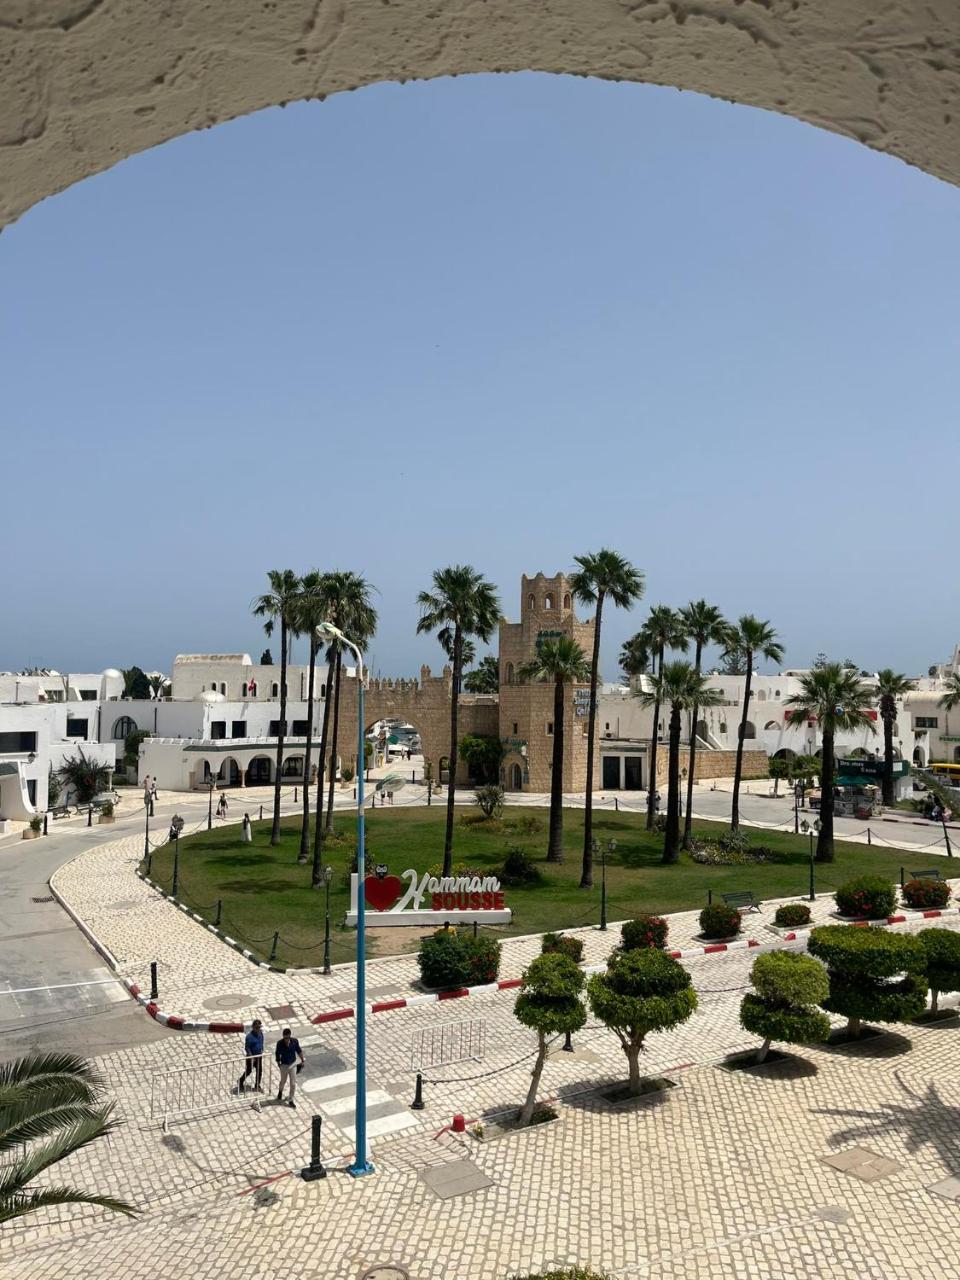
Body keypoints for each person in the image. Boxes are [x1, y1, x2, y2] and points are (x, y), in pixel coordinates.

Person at [275, 1028, 305, 1107]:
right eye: (285, 1038)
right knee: (283, 1081)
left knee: (293, 1083)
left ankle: (291, 1099)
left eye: (287, 1038)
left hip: (292, 1064)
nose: (286, 1040)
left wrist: (302, 1060)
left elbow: (299, 1050)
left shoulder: (294, 1041)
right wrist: (278, 1063)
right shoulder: (279, 1043)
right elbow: (277, 1053)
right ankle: (280, 1091)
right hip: (284, 1065)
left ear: (290, 1036)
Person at [238, 1019, 264, 1093]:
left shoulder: (261, 1033)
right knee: (249, 1071)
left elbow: (261, 1041)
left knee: (259, 1071)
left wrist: (262, 1049)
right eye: (256, 1028)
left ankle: (257, 1085)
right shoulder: (249, 1037)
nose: (258, 1029)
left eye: (259, 1027)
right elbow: (247, 1048)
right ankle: (241, 1081)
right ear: (253, 1027)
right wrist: (251, 1057)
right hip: (251, 1057)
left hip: (259, 1056)